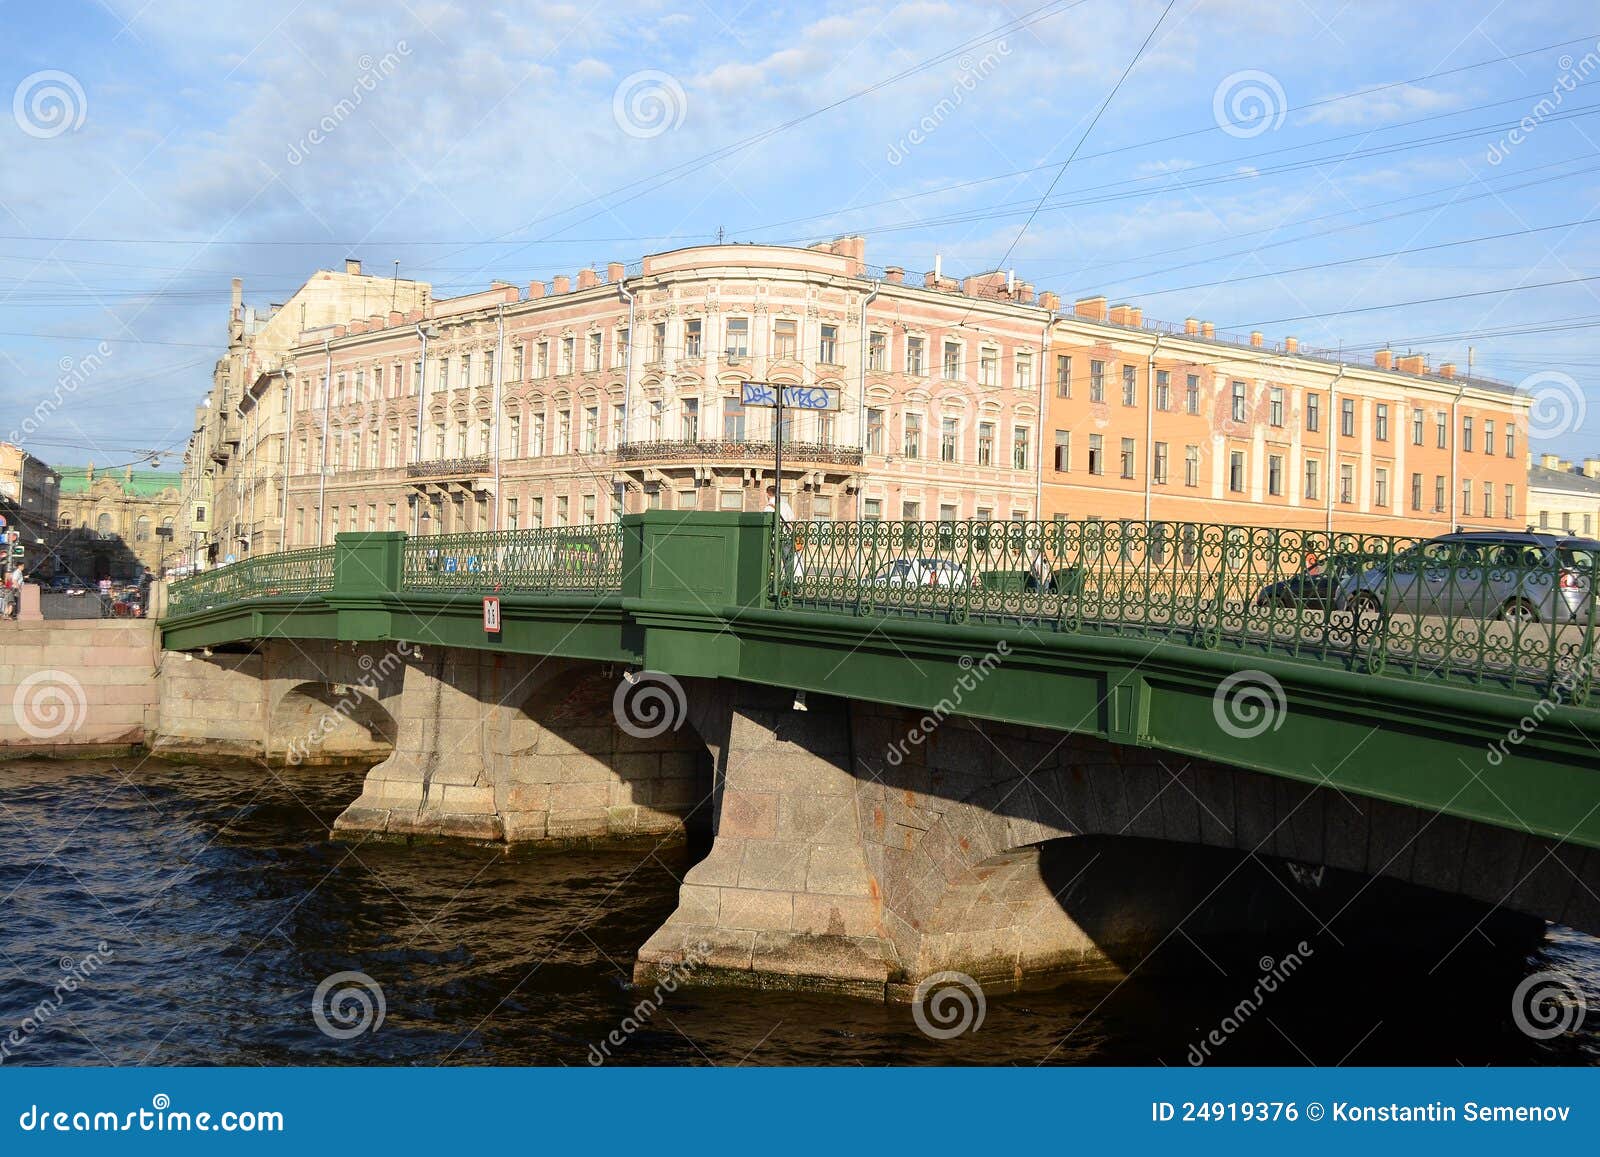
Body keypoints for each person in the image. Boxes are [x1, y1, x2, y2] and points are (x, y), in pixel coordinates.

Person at [764, 485, 801, 583]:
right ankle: (790, 583)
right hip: (787, 536)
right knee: (788, 560)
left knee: (773, 560)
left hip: (774, 538)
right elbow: (792, 520)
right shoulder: (785, 505)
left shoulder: (768, 507)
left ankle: (775, 582)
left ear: (768, 494)